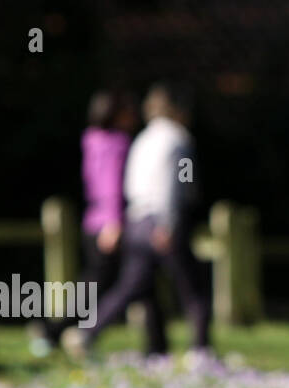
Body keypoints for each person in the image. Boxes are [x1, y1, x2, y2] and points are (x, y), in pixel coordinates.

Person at [63, 81, 210, 358]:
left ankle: (88, 332)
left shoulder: (142, 139)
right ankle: (200, 349)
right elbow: (177, 182)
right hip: (162, 219)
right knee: (192, 288)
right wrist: (169, 220)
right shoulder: (177, 139)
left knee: (132, 285)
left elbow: (131, 182)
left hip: (137, 219)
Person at [37, 90, 157, 352]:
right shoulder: (118, 143)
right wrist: (114, 223)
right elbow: (112, 186)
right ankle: (55, 329)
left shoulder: (91, 139)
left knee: (109, 282)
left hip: (93, 220)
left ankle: (155, 342)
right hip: (110, 224)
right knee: (114, 283)